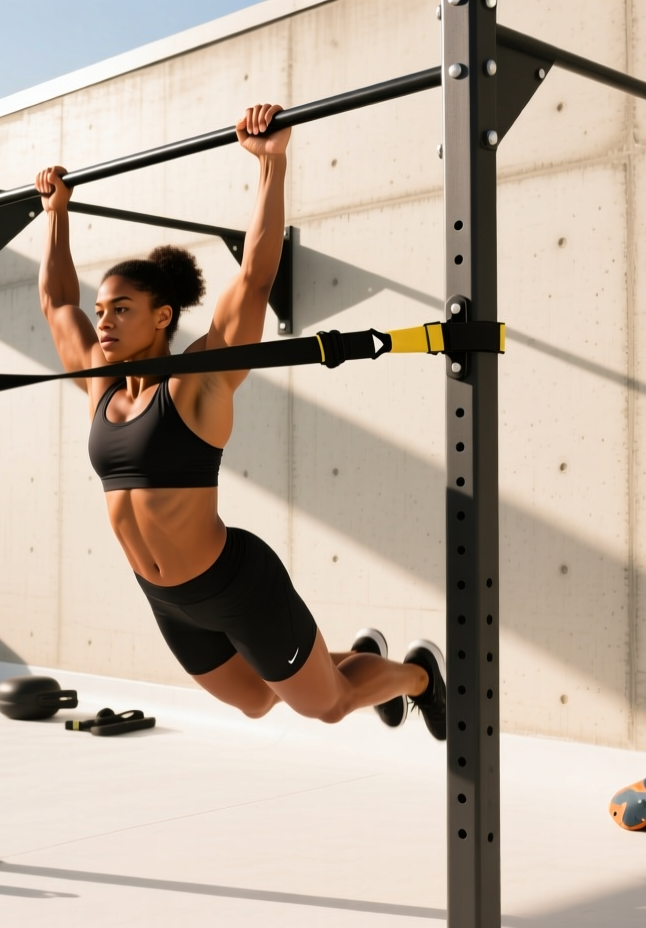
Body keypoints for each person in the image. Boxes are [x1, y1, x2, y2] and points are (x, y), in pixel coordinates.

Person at [34, 104, 446, 738]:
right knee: (257, 700)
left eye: (121, 308)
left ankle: (418, 675)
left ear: (164, 317)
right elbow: (58, 302)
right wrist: (57, 213)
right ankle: (362, 662)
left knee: (327, 706)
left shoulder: (198, 383)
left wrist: (271, 165)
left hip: (234, 583)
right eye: (103, 310)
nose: (105, 321)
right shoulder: (99, 383)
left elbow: (254, 280)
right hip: (165, 598)